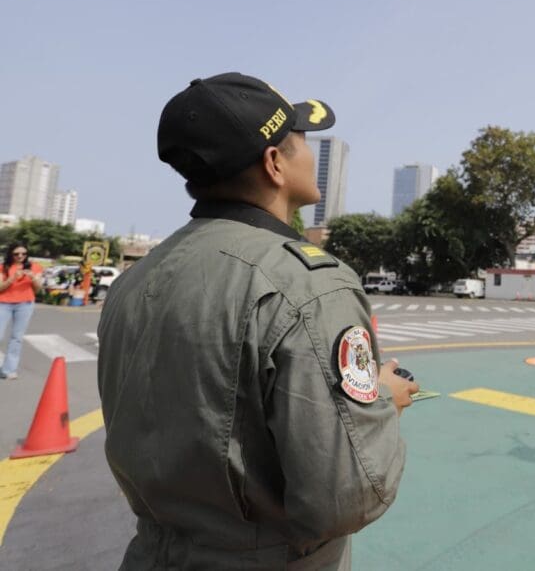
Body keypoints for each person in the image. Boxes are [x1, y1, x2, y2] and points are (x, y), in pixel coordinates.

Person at [97, 72, 418, 570]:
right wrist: (383, 401)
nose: (310, 154)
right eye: (301, 141)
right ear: (274, 164)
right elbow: (346, 495)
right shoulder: (308, 282)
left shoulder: (137, 279)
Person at [0, 243, 44, 380]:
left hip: (25, 304)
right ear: (11, 254)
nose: (20, 256)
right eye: (17, 254)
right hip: (4, 303)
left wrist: (33, 278)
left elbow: (37, 289)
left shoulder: (34, 267)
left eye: (23, 254)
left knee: (16, 338)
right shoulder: (3, 267)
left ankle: (9, 369)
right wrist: (12, 278)